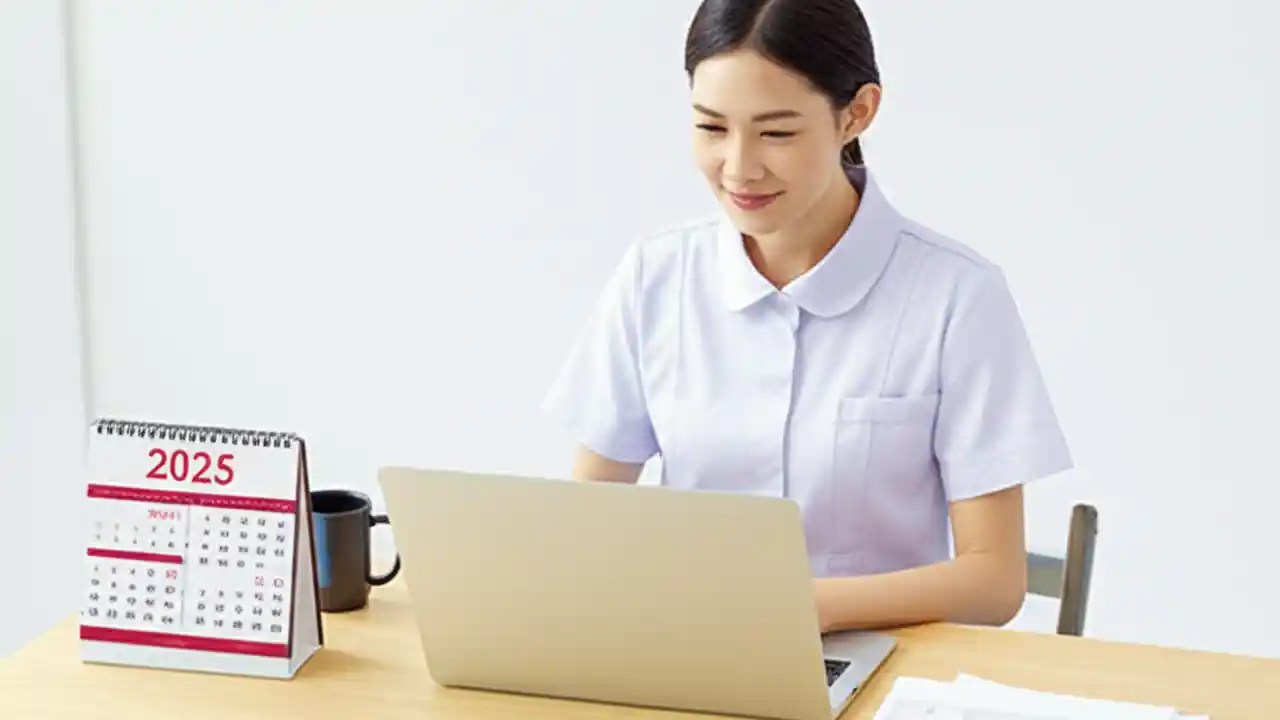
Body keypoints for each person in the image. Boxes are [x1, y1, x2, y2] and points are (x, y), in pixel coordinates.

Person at [542, 0, 1072, 634]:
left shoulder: (956, 295)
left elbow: (993, 581)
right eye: (712, 128)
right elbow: (586, 525)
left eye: (777, 133)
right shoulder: (656, 278)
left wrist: (793, 611)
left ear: (858, 112)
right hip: (690, 652)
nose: (739, 167)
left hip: (881, 664)